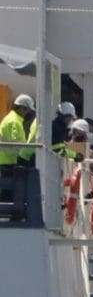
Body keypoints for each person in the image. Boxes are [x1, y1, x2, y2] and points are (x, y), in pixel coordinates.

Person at [0, 92, 38, 223]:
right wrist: (23, 155)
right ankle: (8, 216)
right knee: (12, 190)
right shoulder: (14, 122)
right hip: (10, 160)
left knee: (7, 189)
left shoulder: (10, 119)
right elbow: (16, 143)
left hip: (5, 159)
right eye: (27, 110)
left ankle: (6, 215)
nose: (27, 113)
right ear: (22, 108)